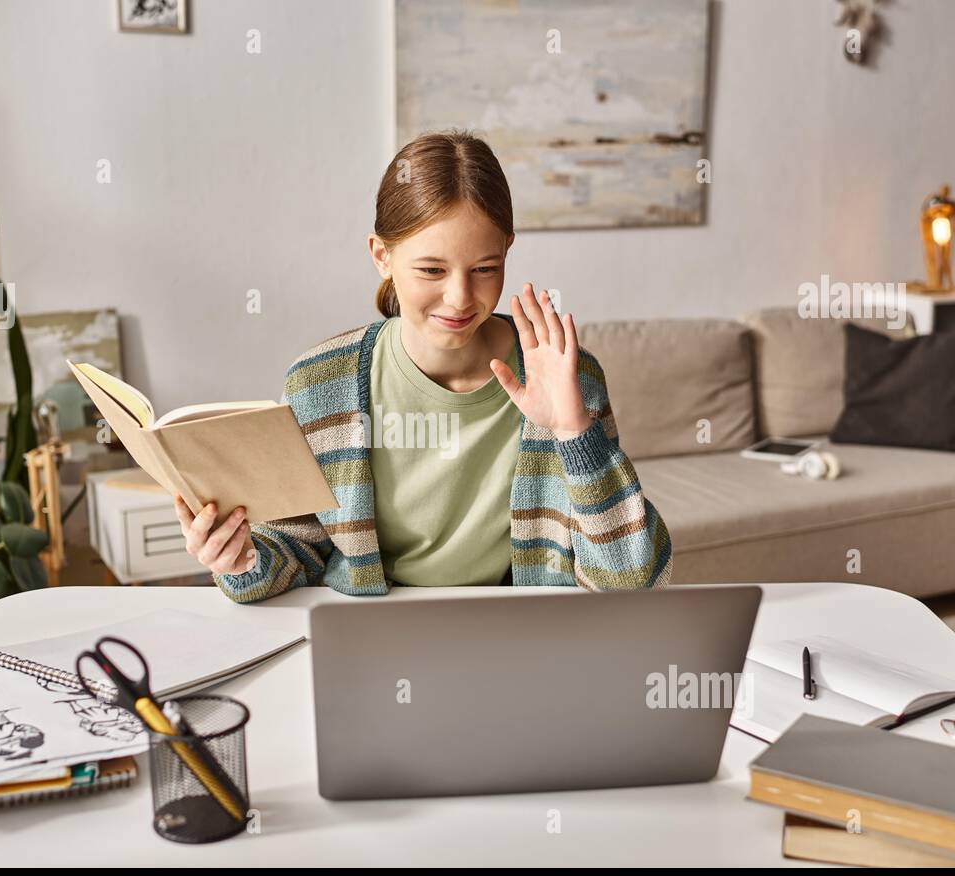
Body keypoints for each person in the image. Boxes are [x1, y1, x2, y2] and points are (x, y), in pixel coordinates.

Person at [176, 129, 672, 603]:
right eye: (432, 270)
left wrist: (573, 431)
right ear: (382, 256)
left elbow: (631, 581)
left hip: (516, 634)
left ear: (507, 252)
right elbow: (294, 551)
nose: (459, 298)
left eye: (484, 268)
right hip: (371, 631)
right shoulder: (319, 384)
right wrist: (239, 561)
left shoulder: (566, 376)